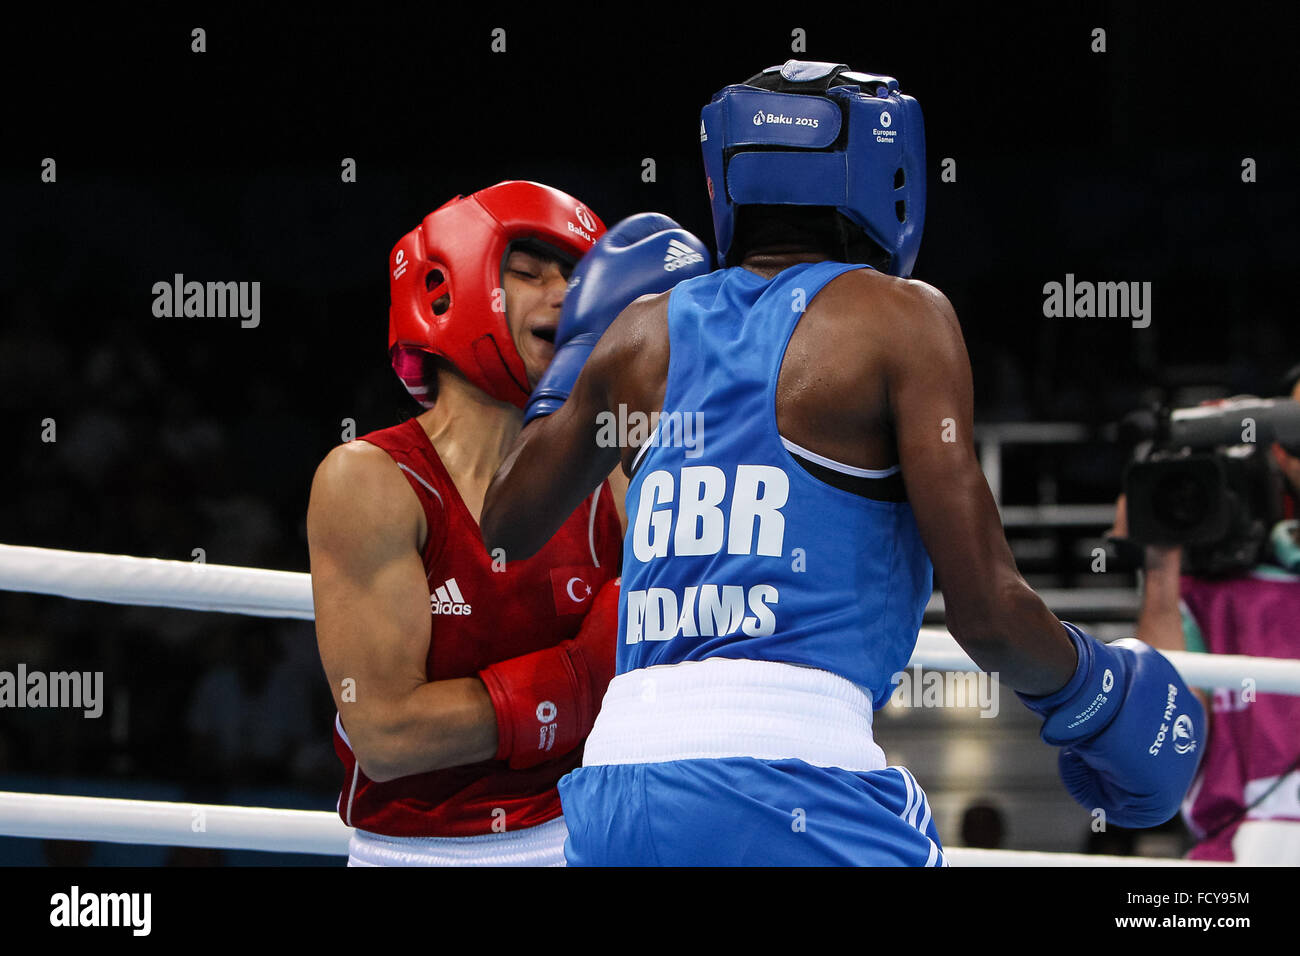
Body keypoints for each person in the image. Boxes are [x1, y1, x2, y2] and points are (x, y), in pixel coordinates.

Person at [481, 62, 1205, 865]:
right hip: (792, 770)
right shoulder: (902, 319)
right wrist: (1102, 692)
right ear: (884, 171)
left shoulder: (642, 333)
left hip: (615, 790)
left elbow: (506, 525)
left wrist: (578, 354)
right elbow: (989, 613)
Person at [308, 182, 626, 866]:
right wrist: (582, 675)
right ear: (451, 287)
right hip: (419, 852)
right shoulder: (370, 480)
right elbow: (388, 736)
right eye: (530, 271)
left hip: (591, 832)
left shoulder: (613, 471)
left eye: (577, 276)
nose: (564, 293)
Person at [1113, 369, 1300, 863]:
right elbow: (1171, 724)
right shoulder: (1215, 599)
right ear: (1279, 454)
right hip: (1245, 850)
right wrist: (1159, 561)